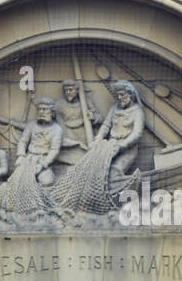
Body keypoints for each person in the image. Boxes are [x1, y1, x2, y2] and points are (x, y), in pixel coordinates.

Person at [54, 81, 144, 213]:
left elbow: (137, 133)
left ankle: (113, 202)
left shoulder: (137, 112)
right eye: (118, 96)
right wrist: (97, 139)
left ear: (130, 95)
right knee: (94, 170)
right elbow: (106, 126)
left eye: (122, 95)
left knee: (113, 173)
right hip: (109, 146)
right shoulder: (115, 108)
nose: (119, 98)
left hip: (127, 150)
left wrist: (121, 146)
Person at [0, 97, 63, 215]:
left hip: (43, 161)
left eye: (44, 109)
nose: (41, 112)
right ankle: (17, 205)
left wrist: (42, 165)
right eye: (39, 109)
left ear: (52, 112)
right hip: (28, 159)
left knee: (47, 182)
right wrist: (21, 155)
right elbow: (23, 141)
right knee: (17, 182)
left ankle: (39, 205)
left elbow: (54, 150)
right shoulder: (31, 125)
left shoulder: (57, 129)